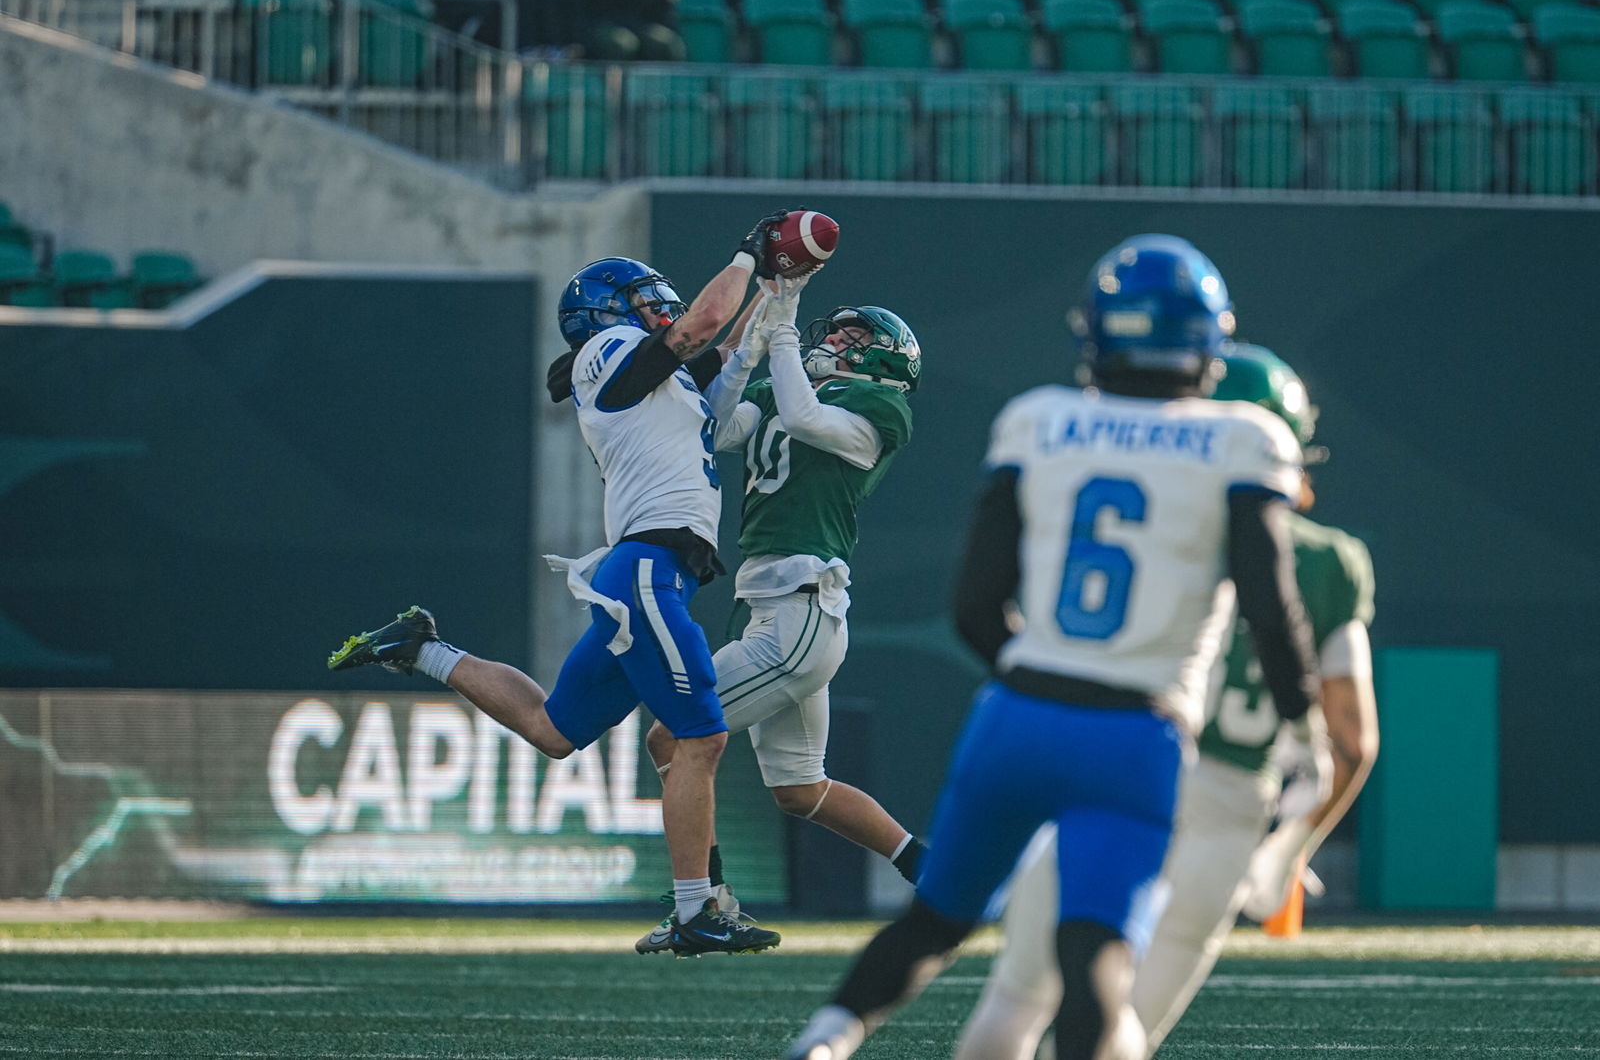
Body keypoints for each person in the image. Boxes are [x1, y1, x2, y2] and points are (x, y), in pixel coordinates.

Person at [783, 234, 1324, 1060]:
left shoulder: (1040, 420)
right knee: (1093, 954)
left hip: (1021, 712)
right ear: (1206, 342)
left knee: (935, 921)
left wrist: (1039, 681)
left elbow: (972, 605)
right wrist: (1302, 729)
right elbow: (1270, 605)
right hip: (1136, 735)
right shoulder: (1242, 440)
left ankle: (826, 1038)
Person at [326, 212, 791, 957]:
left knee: (554, 730)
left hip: (641, 575)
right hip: (647, 572)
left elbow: (725, 349)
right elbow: (706, 323)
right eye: (644, 303)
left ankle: (423, 651)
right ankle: (694, 910)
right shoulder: (605, 355)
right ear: (605, 315)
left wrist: (778, 287)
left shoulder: (651, 382)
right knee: (698, 737)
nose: (659, 312)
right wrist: (744, 250)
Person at [950, 343, 1376, 1060]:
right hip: (1232, 811)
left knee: (1019, 1000)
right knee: (1122, 1027)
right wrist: (1289, 847)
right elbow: (1353, 740)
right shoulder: (1330, 561)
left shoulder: (1154, 508)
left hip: (1126, 766)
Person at [633, 281, 930, 954]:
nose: (834, 341)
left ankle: (703, 904)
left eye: (852, 339)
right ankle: (934, 871)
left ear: (886, 362)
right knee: (800, 789)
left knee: (671, 738)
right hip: (773, 613)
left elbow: (804, 420)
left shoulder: (876, 406)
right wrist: (747, 355)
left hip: (801, 615)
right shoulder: (789, 389)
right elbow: (715, 424)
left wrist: (786, 331)